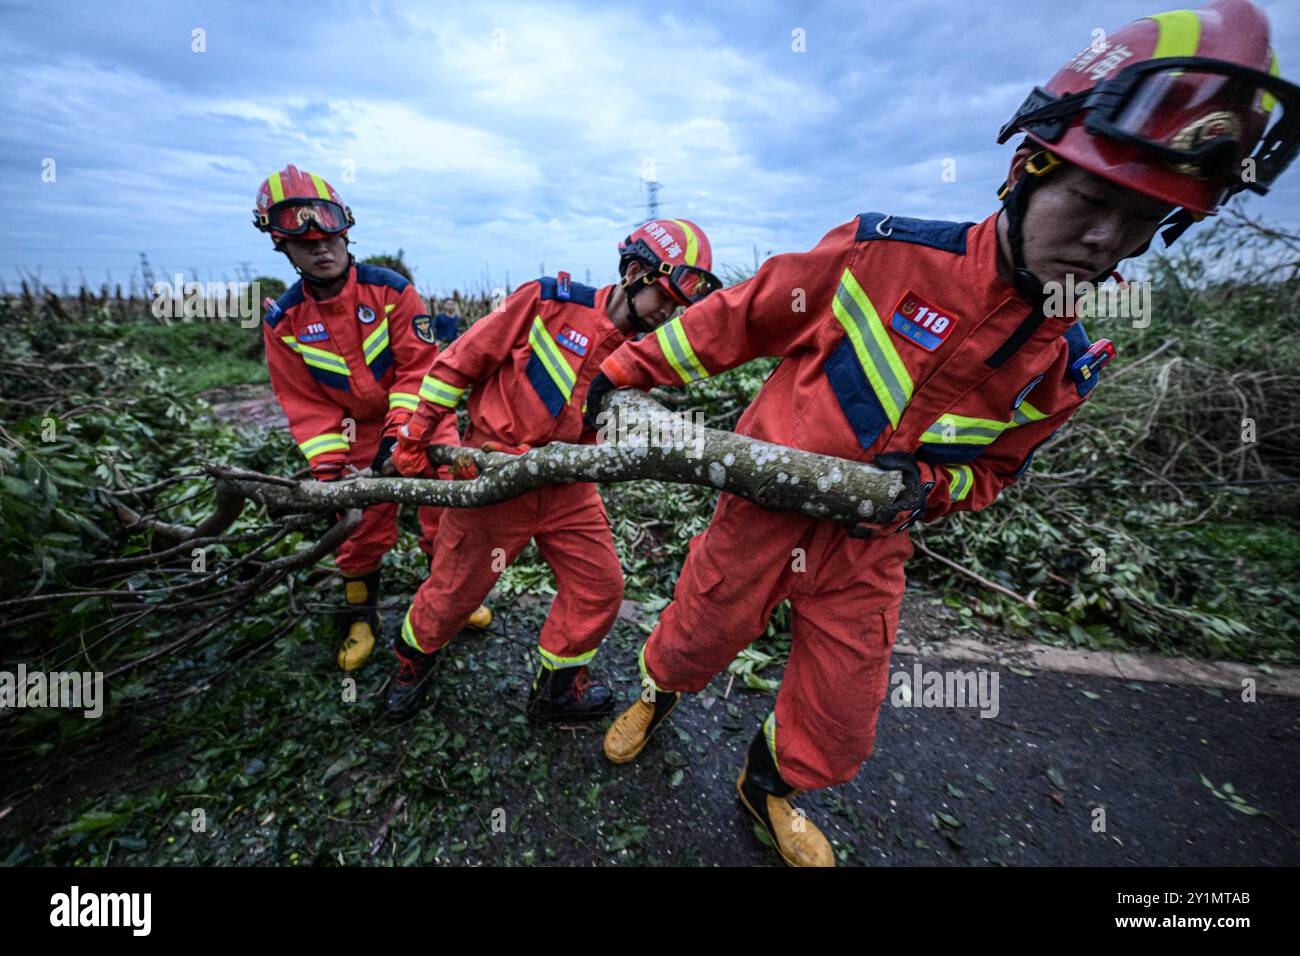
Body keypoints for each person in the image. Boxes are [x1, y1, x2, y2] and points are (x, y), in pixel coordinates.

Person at [584, 0, 1299, 866]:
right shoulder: (883, 256)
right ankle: (658, 701)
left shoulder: (1063, 363)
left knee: (843, 709)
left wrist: (929, 491)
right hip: (759, 510)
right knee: (695, 630)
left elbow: (996, 472)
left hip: (871, 545)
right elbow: (730, 320)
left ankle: (768, 785)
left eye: (1145, 220)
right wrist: (619, 378)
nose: (1107, 241)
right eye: (1094, 198)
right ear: (1029, 168)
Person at [384, 220, 723, 723]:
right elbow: (458, 363)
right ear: (634, 274)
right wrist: (416, 434)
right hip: (496, 479)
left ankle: (556, 691)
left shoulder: (648, 350)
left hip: (568, 488)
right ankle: (410, 663)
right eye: (667, 300)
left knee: (600, 587)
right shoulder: (545, 301)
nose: (670, 314)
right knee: (454, 592)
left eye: (680, 307)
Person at [252, 164, 490, 672]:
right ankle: (361, 615)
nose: (321, 249)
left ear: (345, 230)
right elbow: (304, 402)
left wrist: (401, 437)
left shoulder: (392, 291)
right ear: (282, 247)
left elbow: (419, 369)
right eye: (306, 242)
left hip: (425, 417)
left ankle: (450, 599)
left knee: (447, 510)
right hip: (351, 432)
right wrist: (331, 470)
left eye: (329, 236)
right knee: (356, 530)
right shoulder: (284, 320)